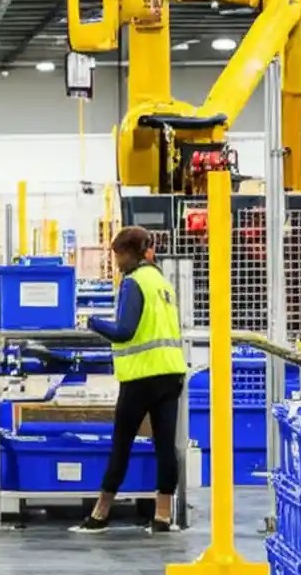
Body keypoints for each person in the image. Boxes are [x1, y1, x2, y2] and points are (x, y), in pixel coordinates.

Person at [73, 225, 186, 534]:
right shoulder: (163, 283)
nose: (116, 262)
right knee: (165, 447)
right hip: (171, 374)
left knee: (121, 445)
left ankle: (100, 514)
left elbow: (125, 331)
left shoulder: (133, 283)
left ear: (130, 253)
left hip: (141, 377)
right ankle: (162, 516)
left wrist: (92, 322)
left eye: (118, 255)